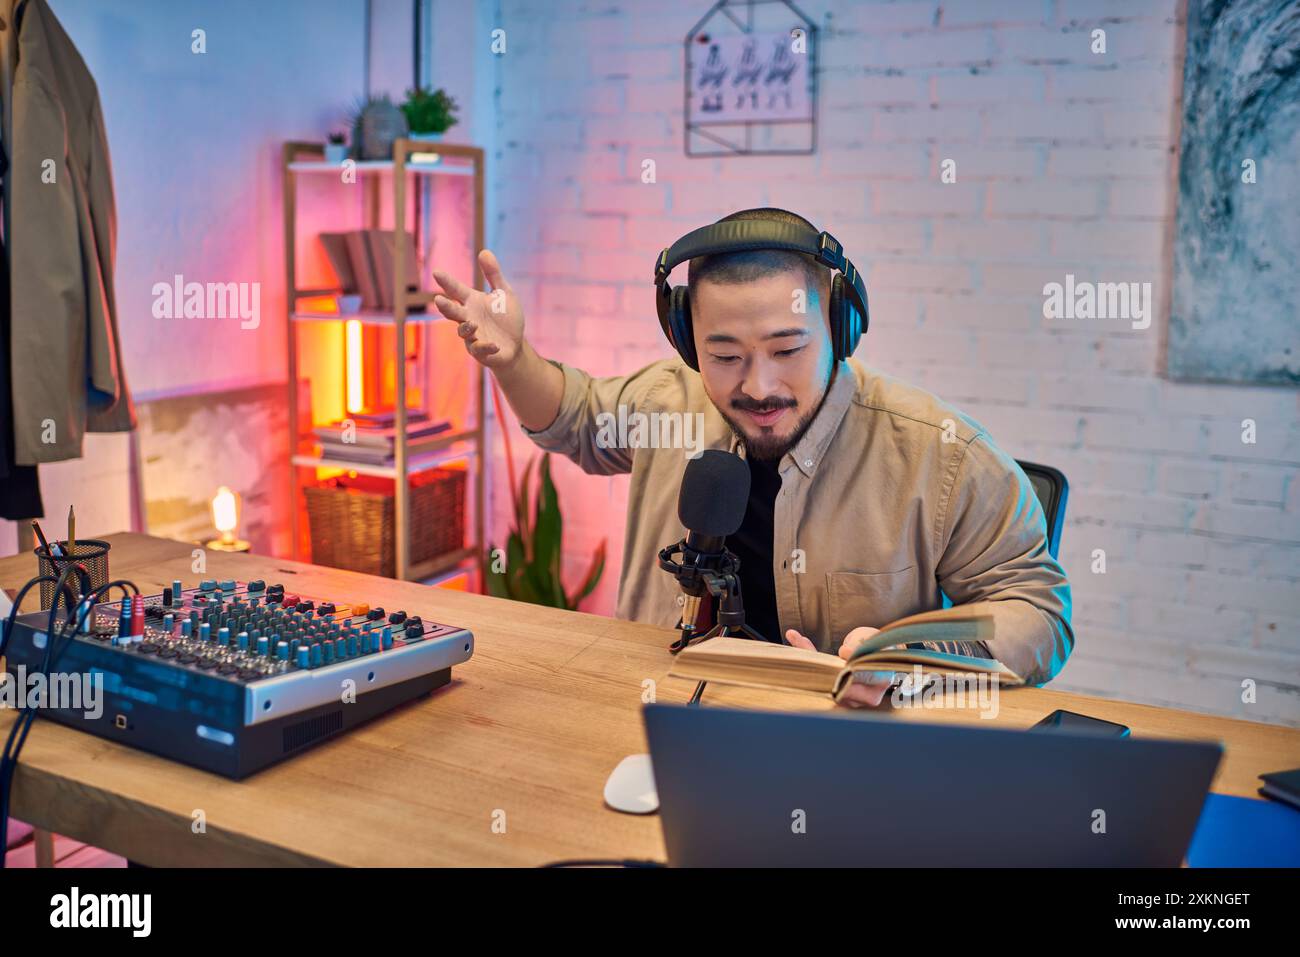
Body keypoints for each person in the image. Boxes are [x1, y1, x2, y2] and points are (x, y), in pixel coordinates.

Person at [432, 207, 1072, 706]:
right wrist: (515, 361)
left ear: (838, 329)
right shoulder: (666, 404)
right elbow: (572, 417)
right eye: (727, 356)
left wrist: (918, 658)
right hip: (663, 717)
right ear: (688, 341)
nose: (759, 386)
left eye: (787, 350)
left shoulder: (941, 454)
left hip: (843, 746)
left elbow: (1037, 614)